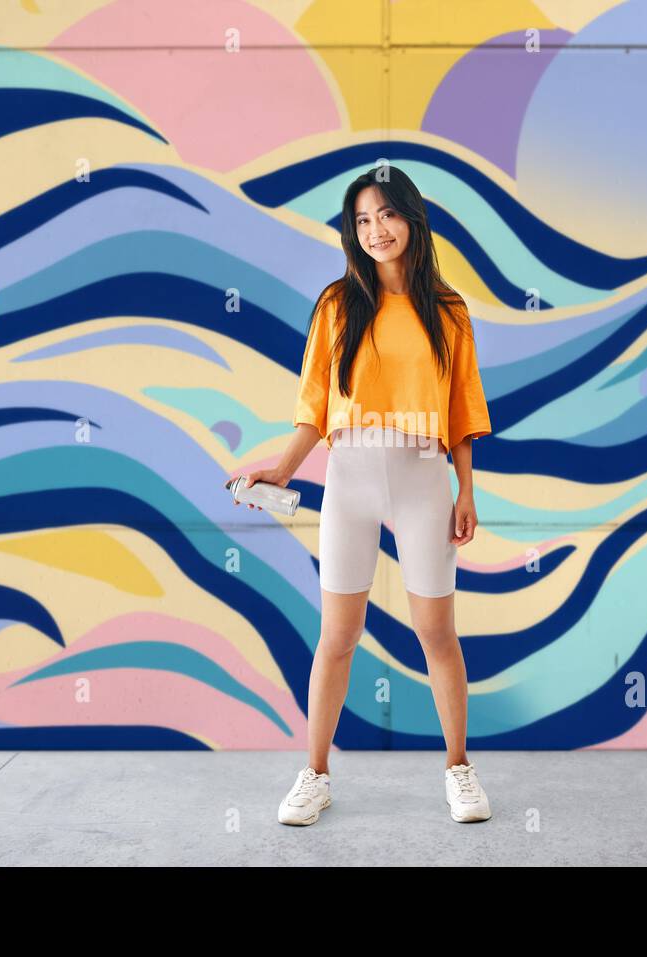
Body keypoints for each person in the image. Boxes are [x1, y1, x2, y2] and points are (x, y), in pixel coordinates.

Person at [224, 165, 493, 825]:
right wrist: (283, 469)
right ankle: (314, 775)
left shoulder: (450, 310)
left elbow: (462, 411)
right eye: (363, 220)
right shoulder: (335, 306)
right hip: (349, 477)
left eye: (387, 215)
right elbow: (314, 408)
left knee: (437, 632)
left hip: (425, 476)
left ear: (412, 218)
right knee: (338, 635)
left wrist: (467, 490)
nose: (376, 230)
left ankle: (459, 768)